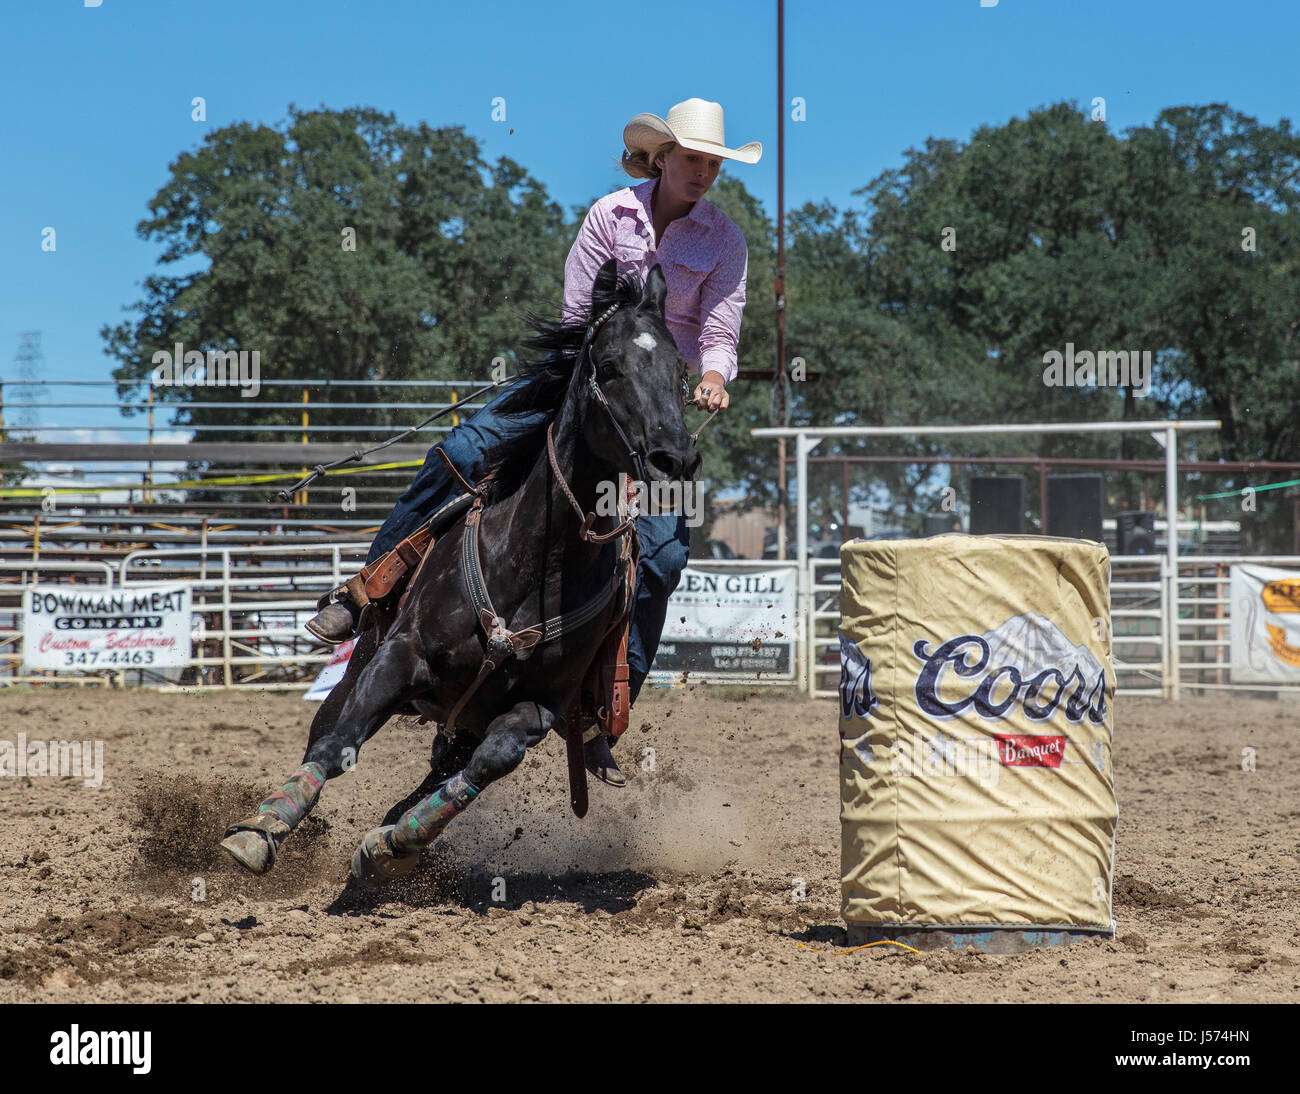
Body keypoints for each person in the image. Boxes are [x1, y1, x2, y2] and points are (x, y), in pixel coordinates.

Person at [306, 98, 761, 782]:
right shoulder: (610, 216)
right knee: (460, 454)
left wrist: (717, 376)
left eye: (713, 162)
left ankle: (603, 706)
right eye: (693, 158)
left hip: (657, 406)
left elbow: (719, 332)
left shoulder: (724, 242)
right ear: (662, 156)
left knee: (661, 559)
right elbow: (577, 316)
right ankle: (368, 587)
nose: (704, 172)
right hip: (581, 382)